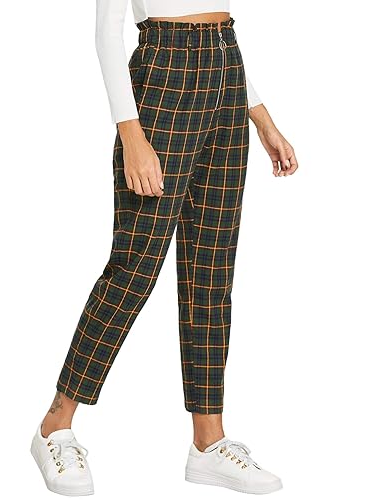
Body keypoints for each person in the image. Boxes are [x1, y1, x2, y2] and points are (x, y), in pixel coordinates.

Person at [30, 0, 298, 496]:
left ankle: (208, 442)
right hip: (162, 82)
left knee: (211, 273)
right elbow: (107, 33)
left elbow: (215, 34)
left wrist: (262, 118)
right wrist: (130, 133)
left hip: (228, 70)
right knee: (134, 268)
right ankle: (54, 426)